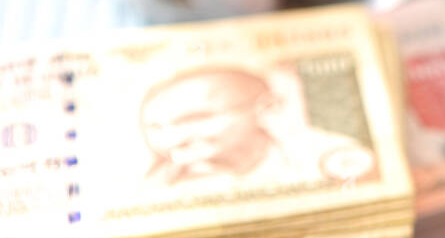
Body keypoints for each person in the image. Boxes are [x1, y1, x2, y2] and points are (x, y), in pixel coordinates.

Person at [137, 66, 375, 187]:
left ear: (267, 108)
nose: (172, 141)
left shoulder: (328, 156)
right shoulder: (154, 185)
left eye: (195, 119)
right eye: (156, 128)